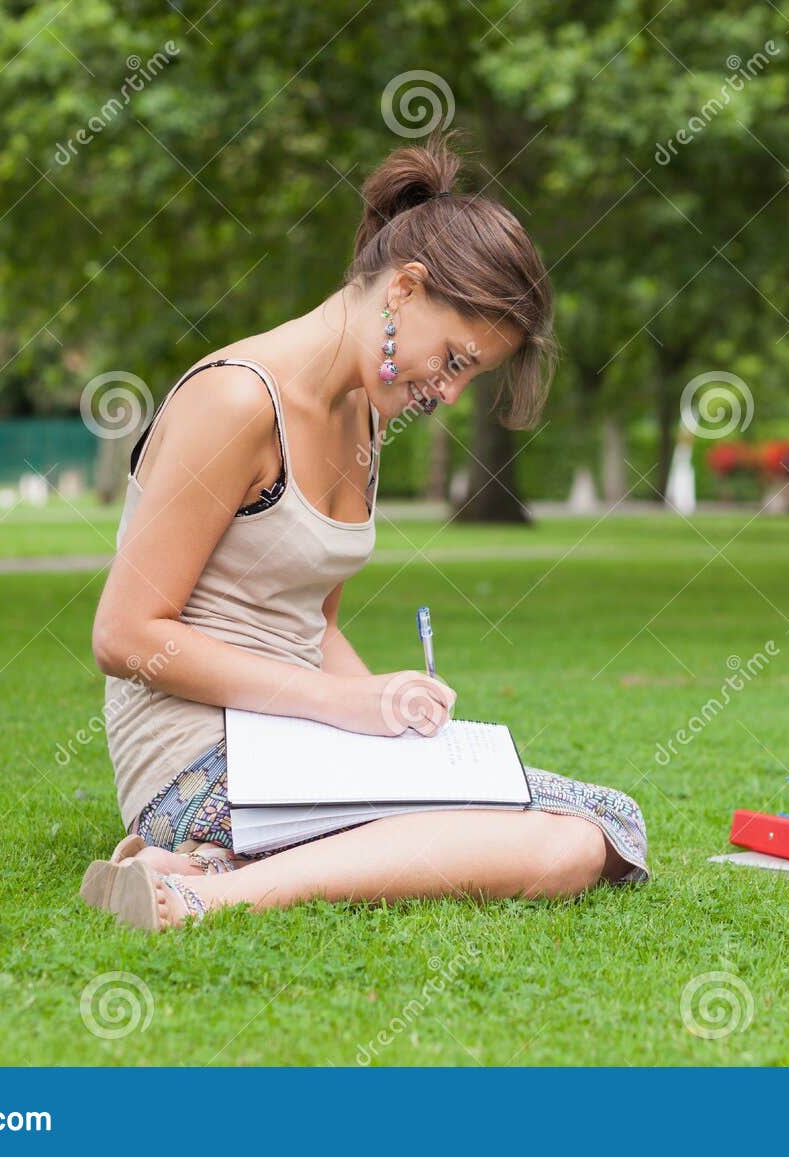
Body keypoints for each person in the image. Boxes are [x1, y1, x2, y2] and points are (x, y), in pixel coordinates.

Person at [81, 136, 648, 931]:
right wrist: (343, 703)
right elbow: (125, 635)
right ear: (405, 289)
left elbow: (314, 624)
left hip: (297, 749)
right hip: (202, 765)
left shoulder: (363, 421)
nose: (449, 394)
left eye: (467, 376)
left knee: (602, 821)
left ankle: (208, 866)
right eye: (452, 360)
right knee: (566, 846)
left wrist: (392, 704)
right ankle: (206, 891)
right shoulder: (238, 403)